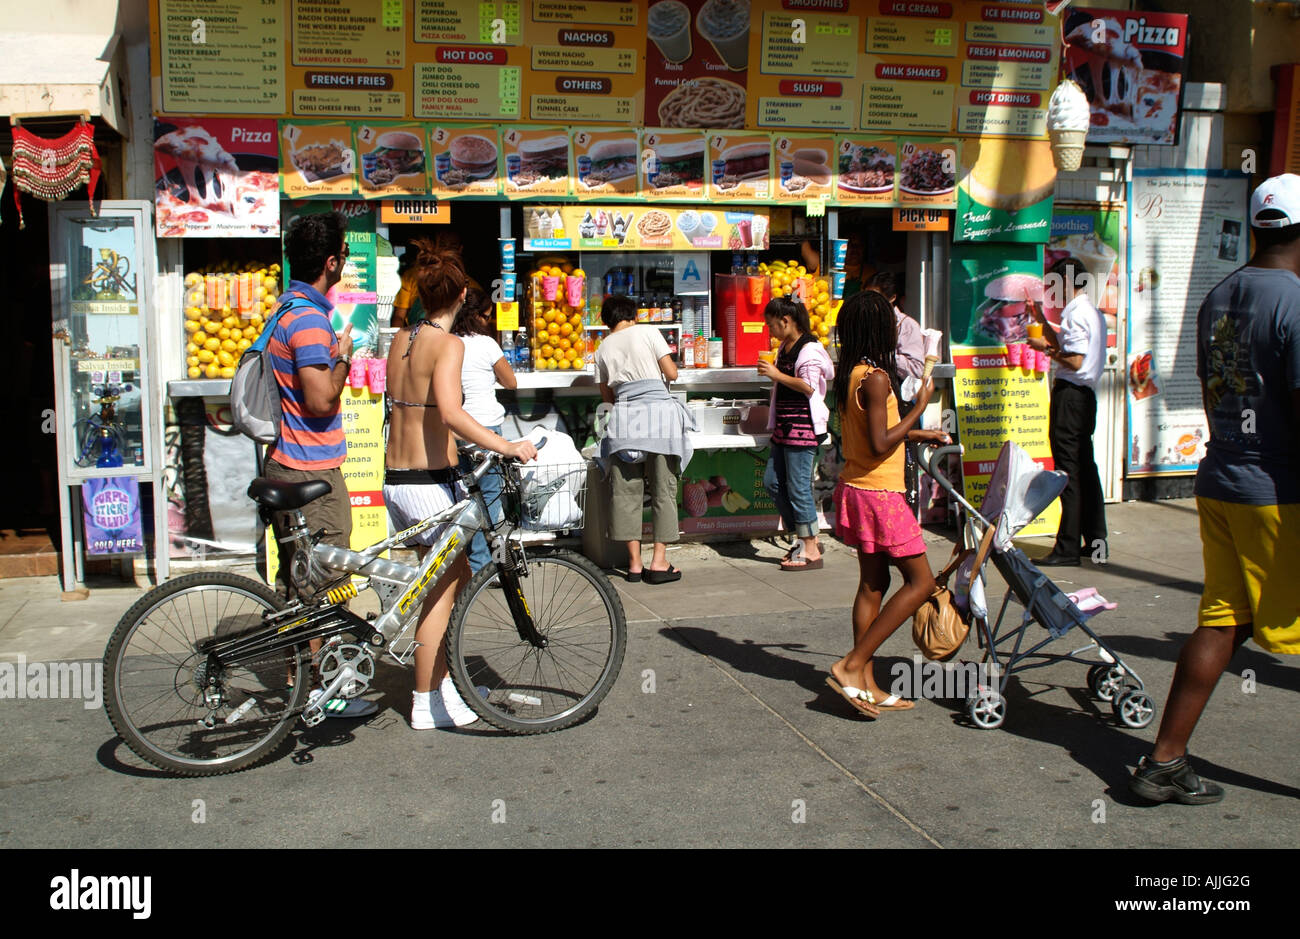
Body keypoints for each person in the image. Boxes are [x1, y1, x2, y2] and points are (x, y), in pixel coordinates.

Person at [1128, 174, 1300, 805]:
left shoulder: (1220, 296)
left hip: (1223, 477)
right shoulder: (1297, 303)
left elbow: (1212, 391)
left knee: (1223, 621)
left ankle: (1163, 760)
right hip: (1281, 492)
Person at [383, 238, 537, 730]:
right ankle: (425, 701)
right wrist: (505, 445)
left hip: (397, 478)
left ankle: (447, 685)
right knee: (441, 593)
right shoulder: (448, 344)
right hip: (428, 483)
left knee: (457, 580)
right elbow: (451, 413)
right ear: (463, 296)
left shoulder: (401, 340)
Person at [265, 211, 373, 718]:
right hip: (310, 471)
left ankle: (298, 680)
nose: (344, 267)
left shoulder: (284, 309)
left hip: (286, 463)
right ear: (330, 263)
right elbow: (321, 401)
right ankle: (326, 689)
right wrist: (344, 356)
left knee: (297, 582)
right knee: (328, 583)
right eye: (344, 260)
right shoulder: (309, 319)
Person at [827, 290, 950, 716]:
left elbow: (871, 433)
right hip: (880, 494)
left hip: (857, 487)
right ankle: (852, 664)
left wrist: (918, 435)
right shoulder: (876, 378)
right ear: (879, 330)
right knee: (921, 583)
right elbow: (881, 442)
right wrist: (919, 410)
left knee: (873, 585)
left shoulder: (851, 374)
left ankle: (865, 684)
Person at [595, 296, 695, 584]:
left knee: (625, 493)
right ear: (633, 316)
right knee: (663, 489)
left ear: (606, 321)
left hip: (625, 420)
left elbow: (607, 397)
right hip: (660, 418)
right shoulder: (649, 332)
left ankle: (635, 564)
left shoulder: (602, 348)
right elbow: (671, 373)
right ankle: (659, 562)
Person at [1026, 258, 1108, 566]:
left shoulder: (1076, 313)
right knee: (1086, 468)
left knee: (1069, 471)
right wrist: (1041, 323)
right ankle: (1095, 539)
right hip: (1085, 397)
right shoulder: (1091, 312)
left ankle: (1068, 547)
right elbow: (1066, 346)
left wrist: (1043, 349)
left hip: (1071, 397)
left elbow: (1073, 360)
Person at [757, 296, 835, 570]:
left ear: (786, 321)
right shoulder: (784, 347)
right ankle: (805, 536)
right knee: (773, 482)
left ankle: (810, 547)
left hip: (802, 431)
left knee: (799, 487)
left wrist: (776, 375)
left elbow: (809, 386)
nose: (770, 330)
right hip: (784, 428)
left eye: (771, 325)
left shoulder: (809, 350)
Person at [452, 286, 517, 574]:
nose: (489, 321)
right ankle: (492, 565)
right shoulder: (487, 344)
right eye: (488, 316)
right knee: (489, 497)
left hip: (455, 429)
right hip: (486, 428)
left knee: (465, 498)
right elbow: (511, 382)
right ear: (478, 316)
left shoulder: (446, 343)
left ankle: (475, 564)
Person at [391, 230, 483, 327]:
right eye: (443, 244)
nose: (447, 250)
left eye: (452, 246)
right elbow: (399, 317)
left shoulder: (472, 286)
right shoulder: (412, 276)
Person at [865, 271, 926, 383]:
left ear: (892, 298)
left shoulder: (907, 325)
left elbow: (916, 369)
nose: (869, 302)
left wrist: (881, 355)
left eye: (876, 298)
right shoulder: (864, 321)